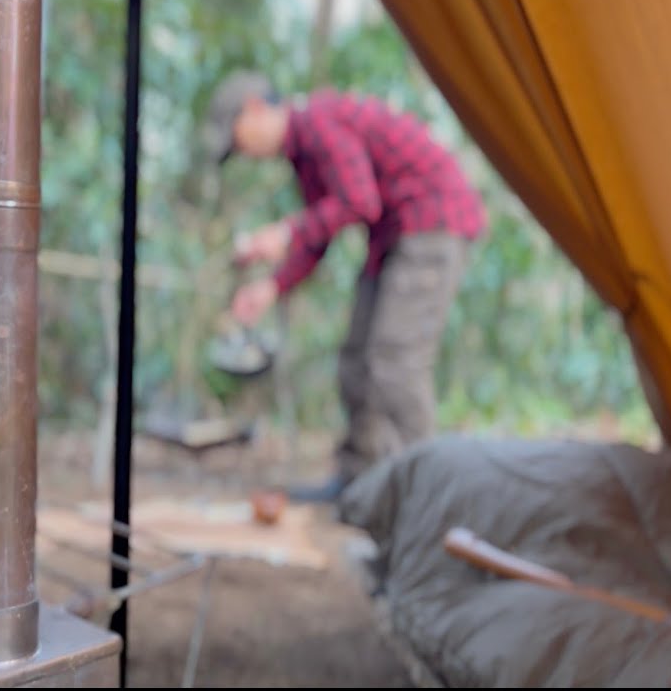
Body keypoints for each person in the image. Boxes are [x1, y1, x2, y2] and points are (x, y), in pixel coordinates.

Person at [203, 71, 487, 502]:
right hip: (392, 236)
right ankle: (359, 483)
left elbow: (358, 200)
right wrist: (272, 287)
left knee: (396, 363)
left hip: (432, 224)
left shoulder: (317, 121)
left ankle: (423, 496)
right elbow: (323, 227)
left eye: (237, 137)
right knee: (356, 358)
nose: (242, 150)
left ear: (256, 110)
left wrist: (285, 232)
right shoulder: (303, 152)